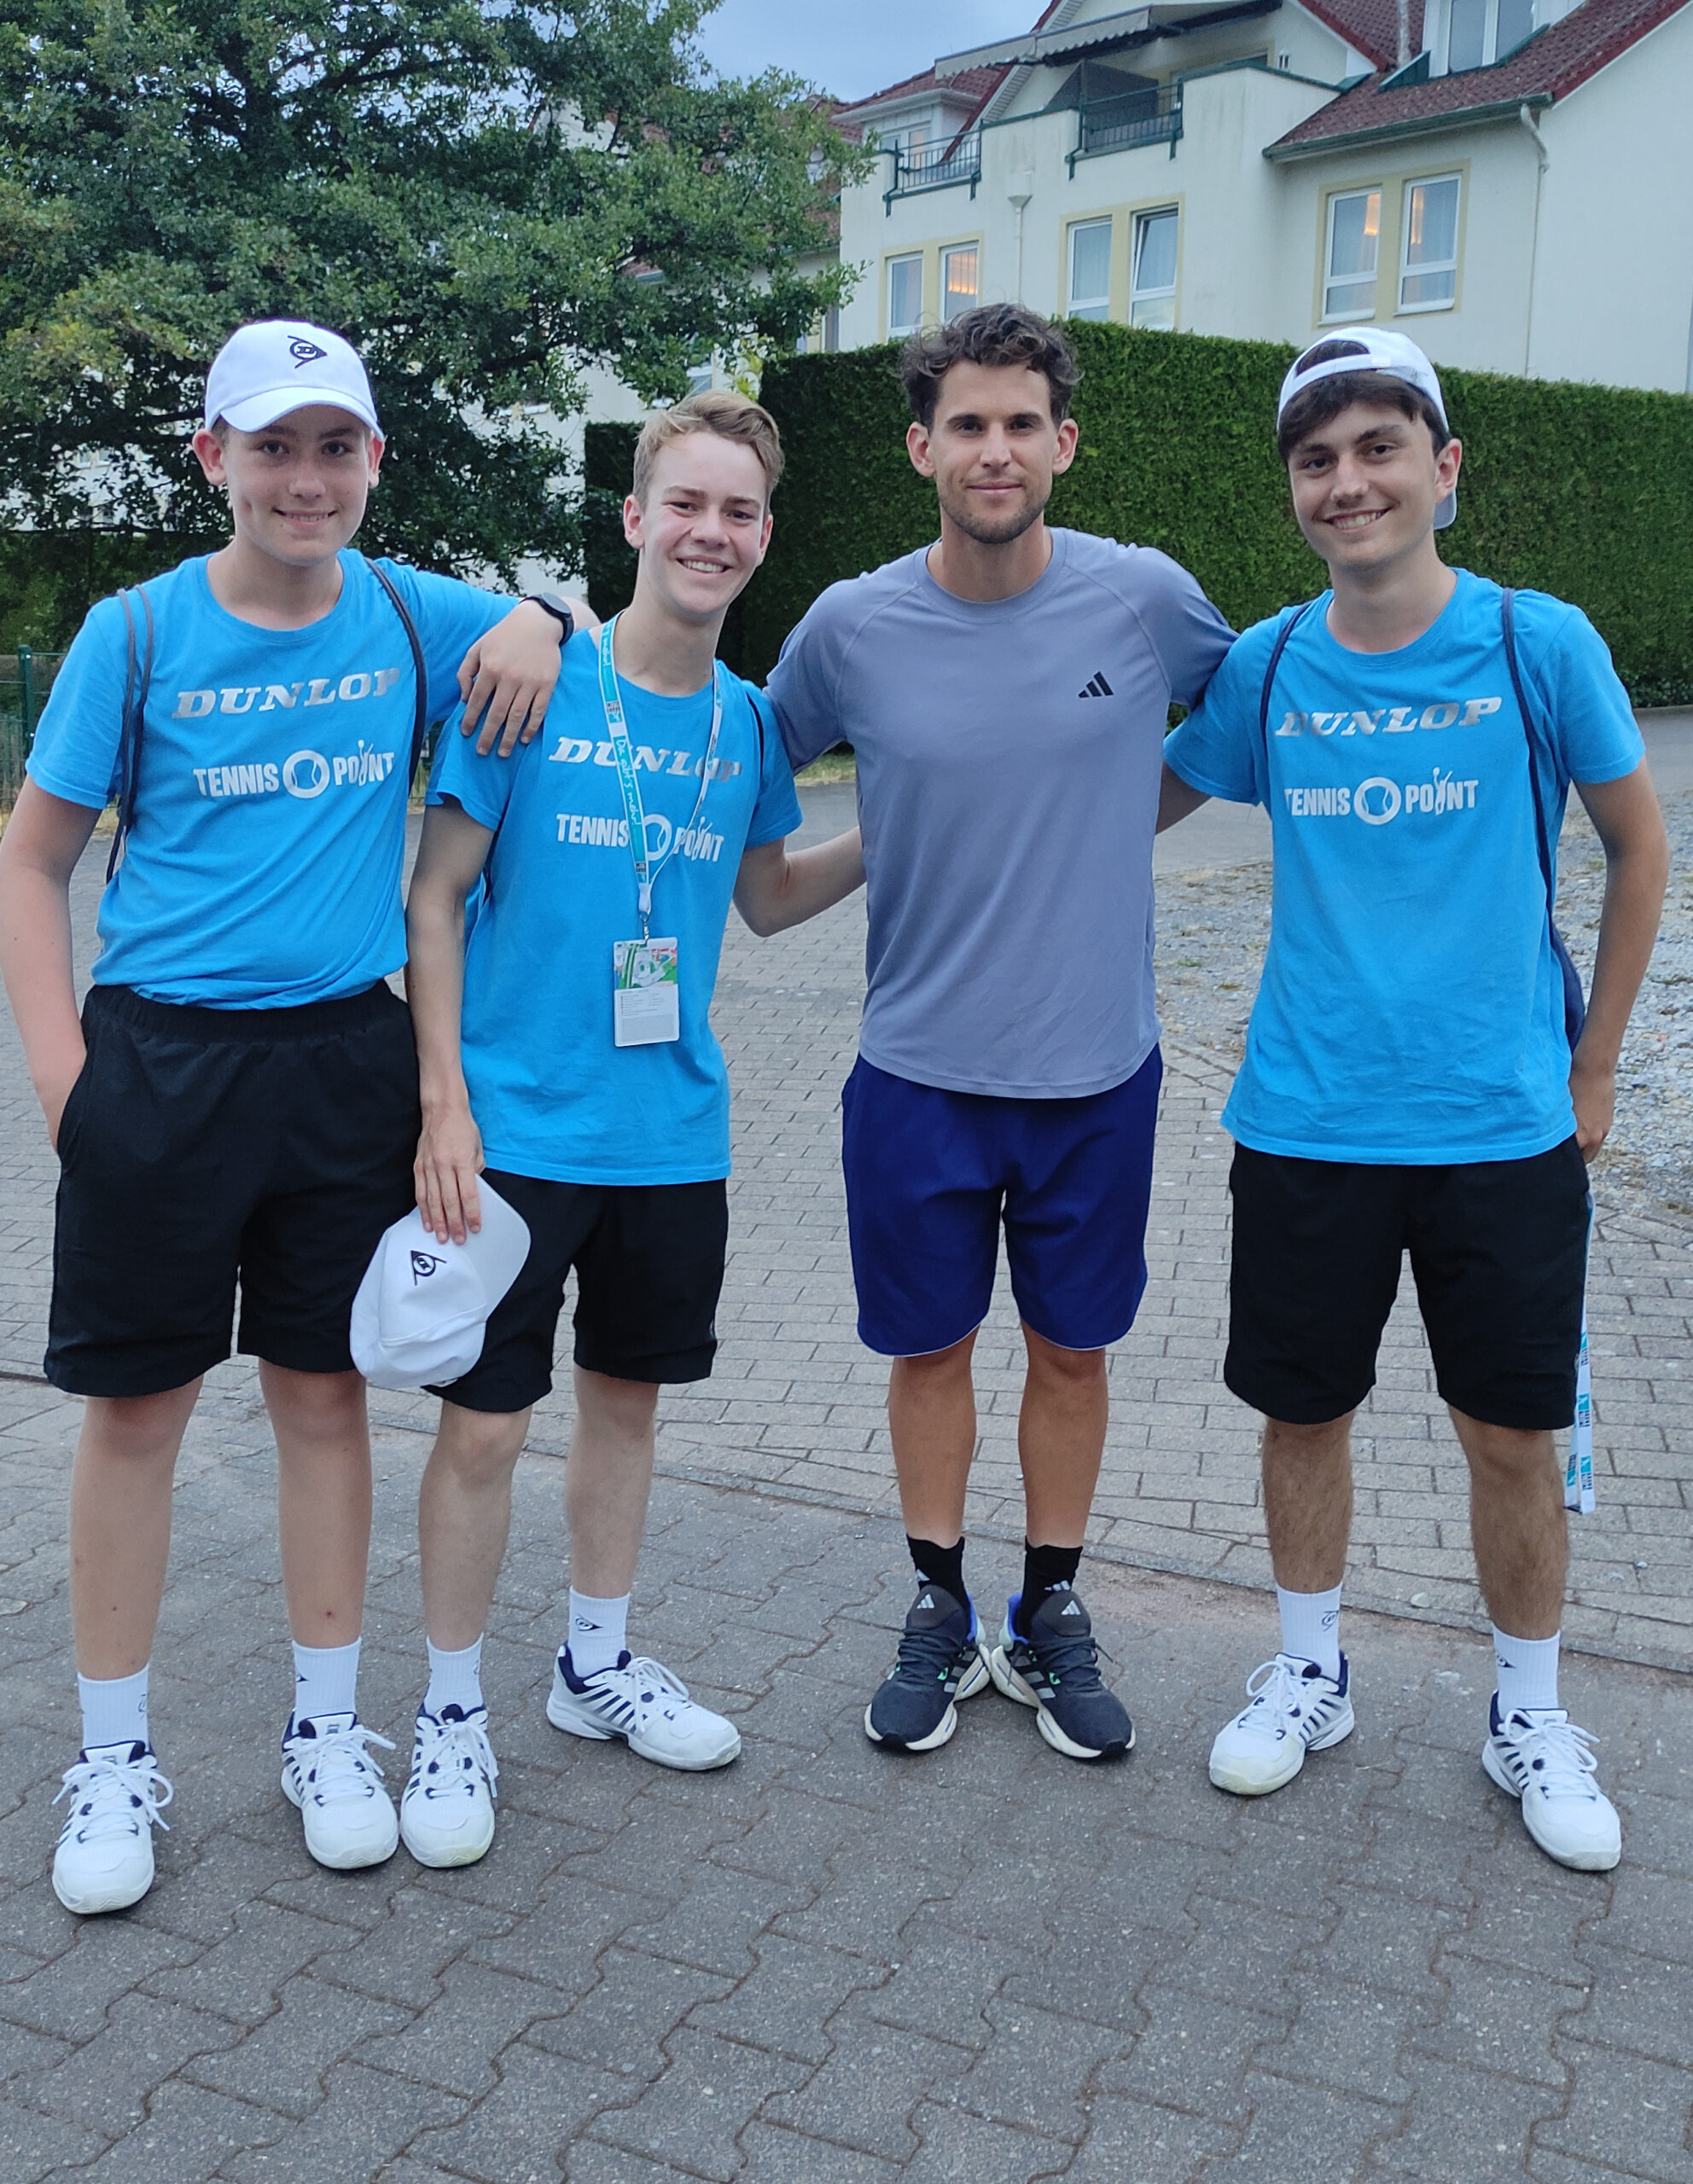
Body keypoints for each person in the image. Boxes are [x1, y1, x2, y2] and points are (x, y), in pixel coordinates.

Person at [0, 320, 586, 1914]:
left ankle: (327, 1730)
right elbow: (30, 861)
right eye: (272, 446)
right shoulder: (134, 633)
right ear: (214, 458)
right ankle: (110, 1758)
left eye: (335, 447)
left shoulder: (405, 610)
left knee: (324, 1399)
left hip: (344, 1065)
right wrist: (63, 1082)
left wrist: (543, 614)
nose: (305, 478)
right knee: (136, 1413)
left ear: (375, 463)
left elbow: (565, 620)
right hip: (160, 1066)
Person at [1159, 329, 1667, 1871]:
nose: (1348, 482)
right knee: (1301, 1415)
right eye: (1317, 459)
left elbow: (1640, 847)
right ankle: (1309, 1672)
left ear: (1442, 469)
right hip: (1306, 1122)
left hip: (1501, 1130)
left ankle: (1531, 1712)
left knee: (1510, 1436)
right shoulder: (1267, 666)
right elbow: (1116, 797)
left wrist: (1594, 1068)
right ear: (1294, 490)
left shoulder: (1534, 641)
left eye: (1379, 448)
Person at [396, 390, 864, 1867]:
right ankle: (451, 1712)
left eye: (739, 512)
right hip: (514, 1138)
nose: (711, 533)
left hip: (673, 1140)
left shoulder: (749, 724)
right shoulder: (532, 684)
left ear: (765, 536)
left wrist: (899, 831)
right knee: (486, 1427)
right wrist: (444, 1104)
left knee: (627, 1407)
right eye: (688, 505)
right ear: (636, 519)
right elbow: (433, 897)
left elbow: (768, 898)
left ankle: (594, 1665)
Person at [765, 305, 1234, 1763]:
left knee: (1073, 1355)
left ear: (1064, 444)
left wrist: (1124, 809)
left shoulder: (1144, 599)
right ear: (921, 447)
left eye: (1021, 423)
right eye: (966, 423)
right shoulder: (850, 626)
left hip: (1098, 1071)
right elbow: (736, 749)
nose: (995, 449)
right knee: (931, 1354)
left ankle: (1049, 1608)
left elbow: (1244, 712)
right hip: (916, 1074)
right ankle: (936, 1603)